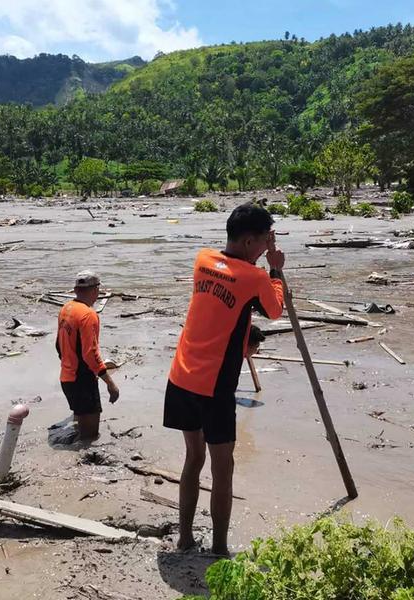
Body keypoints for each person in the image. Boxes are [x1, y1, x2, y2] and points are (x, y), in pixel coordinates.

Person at [164, 202, 285, 555]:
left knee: (193, 459)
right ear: (249, 242)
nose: (267, 247)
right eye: (264, 240)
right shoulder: (255, 276)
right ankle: (218, 547)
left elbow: (233, 288)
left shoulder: (202, 260)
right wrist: (276, 270)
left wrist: (264, 259)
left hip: (181, 375)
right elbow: (275, 310)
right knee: (223, 467)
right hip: (214, 385)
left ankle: (185, 539)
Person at [56, 270, 119, 440]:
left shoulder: (66, 309)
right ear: (95, 291)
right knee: (90, 437)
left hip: (67, 378)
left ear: (76, 290)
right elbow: (90, 354)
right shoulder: (88, 315)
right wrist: (110, 383)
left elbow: (58, 346)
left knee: (80, 426)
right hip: (81, 381)